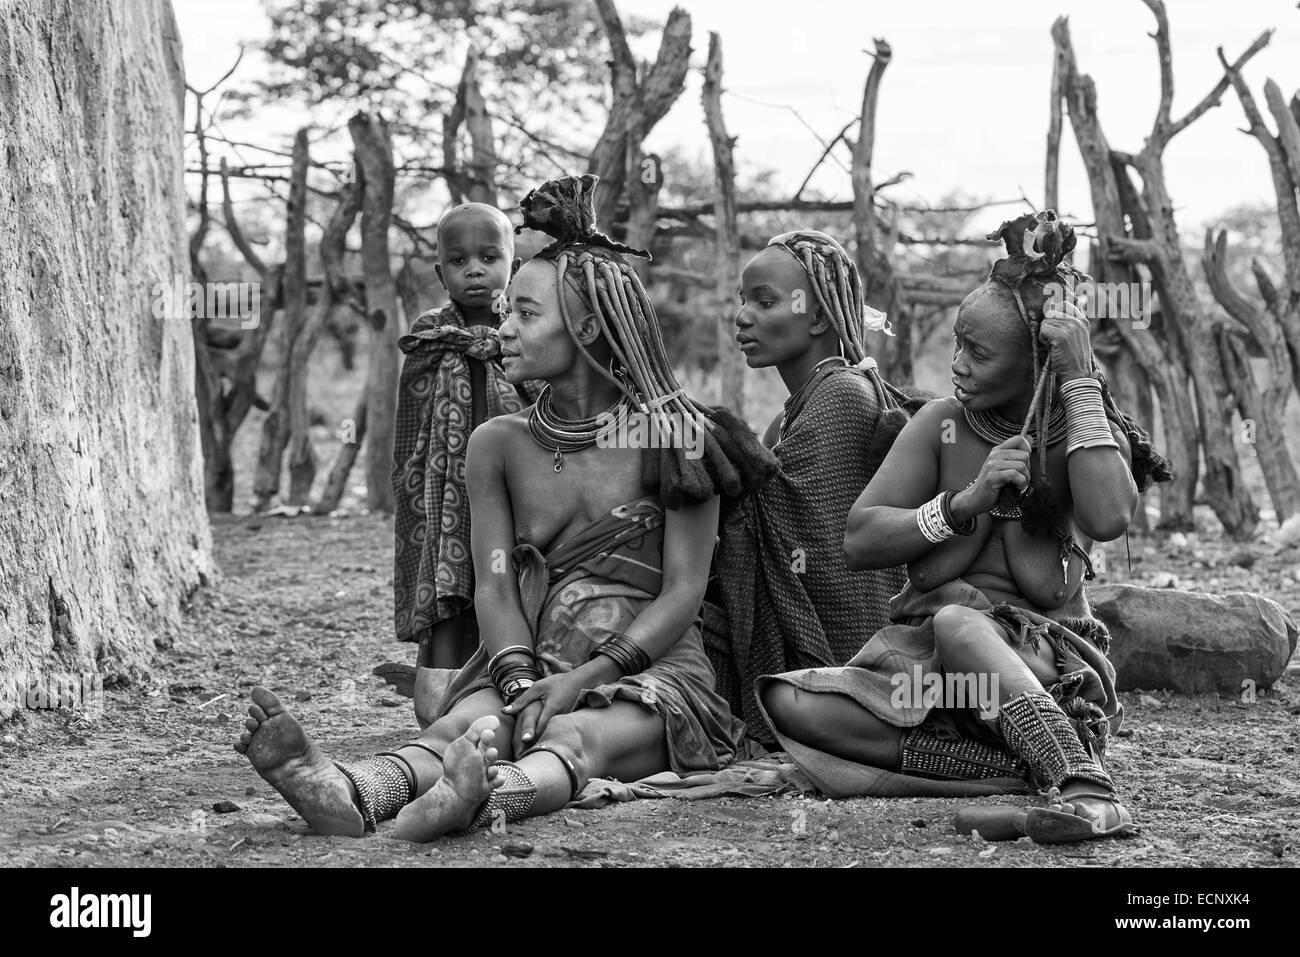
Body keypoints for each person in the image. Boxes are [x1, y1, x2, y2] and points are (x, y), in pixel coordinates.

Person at [236, 174, 777, 840]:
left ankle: (493, 795)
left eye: (525, 312)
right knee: (466, 726)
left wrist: (589, 676)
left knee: (579, 738)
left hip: (653, 674)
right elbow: (493, 579)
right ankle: (345, 788)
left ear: (585, 325)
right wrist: (521, 674)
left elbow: (684, 590)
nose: (504, 324)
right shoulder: (498, 444)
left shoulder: (676, 437)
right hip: (534, 660)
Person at [758, 211, 1172, 843]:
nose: (957, 364)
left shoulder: (1081, 434)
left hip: (1041, 668)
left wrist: (1080, 378)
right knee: (787, 702)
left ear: (1036, 360)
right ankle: (1020, 770)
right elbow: (860, 538)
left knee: (959, 622)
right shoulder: (941, 426)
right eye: (956, 343)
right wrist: (960, 505)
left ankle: (1087, 783)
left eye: (978, 353)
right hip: (931, 685)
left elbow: (1111, 517)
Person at [711, 230, 912, 743]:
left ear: (818, 316)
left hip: (853, 650)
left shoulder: (842, 397)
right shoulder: (797, 411)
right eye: (742, 301)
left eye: (765, 301)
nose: (743, 316)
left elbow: (811, 543)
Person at [391, 202, 531, 727]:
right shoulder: (428, 337)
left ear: (512, 265)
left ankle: (512, 681)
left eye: (490, 256)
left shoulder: (526, 328)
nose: (475, 269)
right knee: (452, 584)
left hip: (515, 487)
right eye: (459, 260)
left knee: (510, 575)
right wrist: (409, 486)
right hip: (445, 493)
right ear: (440, 272)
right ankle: (443, 693)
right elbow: (411, 427)